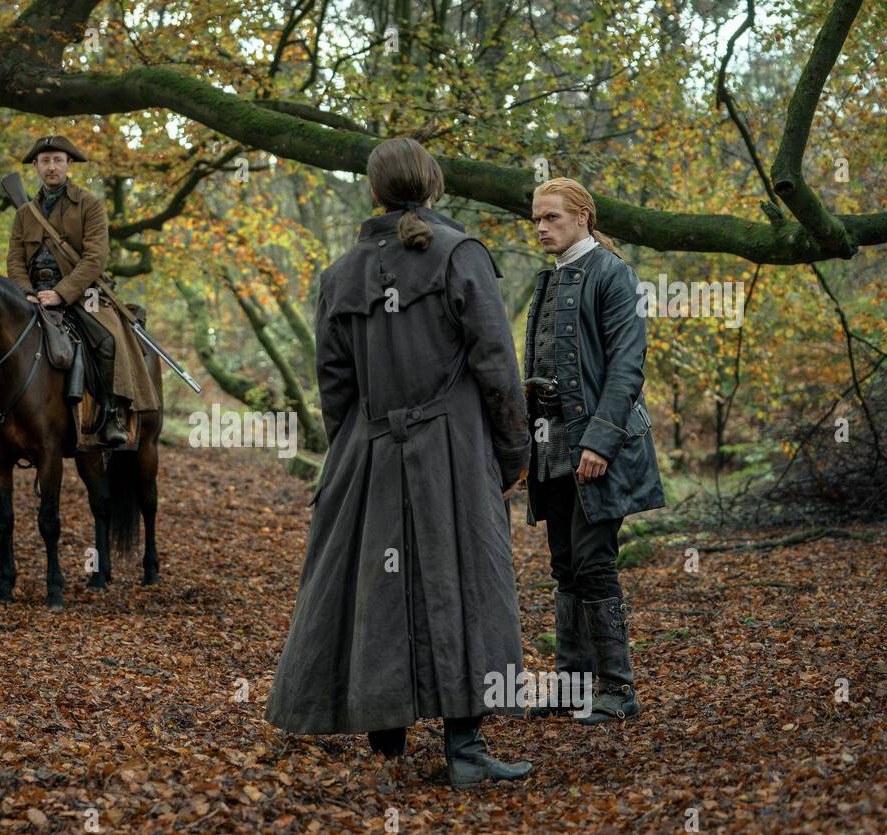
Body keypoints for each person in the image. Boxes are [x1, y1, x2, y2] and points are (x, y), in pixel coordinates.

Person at [264, 138, 533, 788]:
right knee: (461, 584)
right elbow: (497, 364)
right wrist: (513, 452)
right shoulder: (458, 253)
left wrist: (356, 447)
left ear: (374, 191)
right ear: (431, 186)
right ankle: (465, 751)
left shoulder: (341, 274)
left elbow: (334, 386)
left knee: (381, 589)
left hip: (372, 447)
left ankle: (388, 737)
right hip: (454, 447)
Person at [523, 177, 665, 723]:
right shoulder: (550, 278)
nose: (541, 227)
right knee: (565, 568)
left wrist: (600, 442)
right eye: (536, 218)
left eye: (552, 217)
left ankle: (617, 688)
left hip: (598, 448)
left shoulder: (614, 274)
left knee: (594, 564)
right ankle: (572, 684)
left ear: (583, 217)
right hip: (552, 446)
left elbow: (628, 367)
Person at [5, 134, 159, 446]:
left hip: (82, 293)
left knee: (108, 339)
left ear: (68, 164)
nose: (52, 167)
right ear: (35, 166)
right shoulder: (24, 214)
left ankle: (112, 412)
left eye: (58, 161)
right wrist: (26, 293)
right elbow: (15, 260)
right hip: (32, 295)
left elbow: (95, 259)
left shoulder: (89, 204)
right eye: (45, 161)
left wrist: (61, 294)